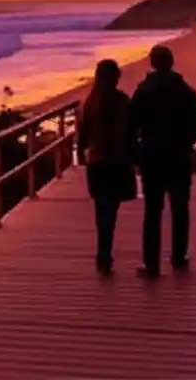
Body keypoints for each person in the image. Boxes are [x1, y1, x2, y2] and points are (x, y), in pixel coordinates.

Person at [130, 44, 196, 276]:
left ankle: (152, 264)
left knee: (152, 211)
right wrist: (187, 143)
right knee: (180, 208)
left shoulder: (143, 90)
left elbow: (132, 125)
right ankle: (179, 256)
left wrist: (136, 151)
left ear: (152, 63)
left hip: (152, 157)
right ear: (171, 63)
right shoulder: (185, 91)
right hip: (179, 156)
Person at [76, 59, 138, 275]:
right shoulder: (122, 101)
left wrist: (80, 155)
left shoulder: (90, 102)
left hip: (97, 162)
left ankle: (103, 252)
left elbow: (82, 134)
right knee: (110, 210)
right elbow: (132, 132)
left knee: (101, 209)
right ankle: (104, 252)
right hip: (116, 162)